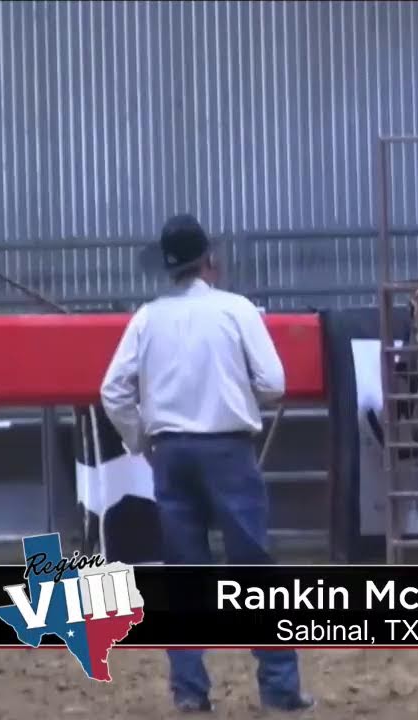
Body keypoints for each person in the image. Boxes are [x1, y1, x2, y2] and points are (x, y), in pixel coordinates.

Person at [100, 214, 312, 712]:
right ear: (209, 261)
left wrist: (141, 440)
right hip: (228, 449)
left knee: (183, 572)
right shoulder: (236, 310)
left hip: (171, 452)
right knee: (254, 568)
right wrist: (242, 397)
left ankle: (190, 690)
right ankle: (279, 687)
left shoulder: (147, 317)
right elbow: (274, 383)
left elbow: (113, 391)